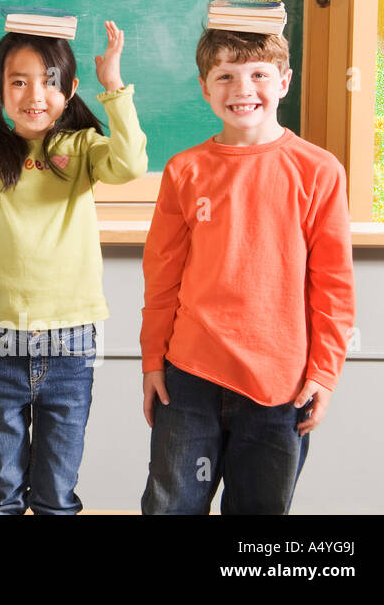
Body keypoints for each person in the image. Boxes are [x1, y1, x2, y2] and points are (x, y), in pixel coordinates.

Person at [0, 21, 146, 514]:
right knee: (2, 486)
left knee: (56, 492)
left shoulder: (84, 149)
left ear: (70, 89)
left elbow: (130, 165)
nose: (35, 94)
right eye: (18, 81)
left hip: (70, 340)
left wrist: (115, 86)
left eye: (49, 80)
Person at [140, 26, 355, 514]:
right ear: (204, 86)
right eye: (225, 75)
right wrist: (153, 360)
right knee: (171, 505)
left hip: (281, 383)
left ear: (284, 81)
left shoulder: (319, 171)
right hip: (190, 378)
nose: (242, 89)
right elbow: (162, 277)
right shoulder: (184, 170)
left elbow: (333, 286)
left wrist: (325, 371)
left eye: (258, 73)